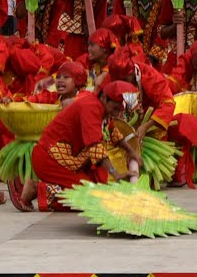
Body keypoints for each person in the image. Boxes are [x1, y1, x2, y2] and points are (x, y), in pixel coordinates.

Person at [15, 81, 141, 211]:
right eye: (115, 109)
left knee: (100, 192)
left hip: (71, 162)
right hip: (50, 160)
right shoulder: (91, 107)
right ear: (104, 98)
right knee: (87, 199)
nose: (116, 114)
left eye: (119, 110)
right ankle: (36, 188)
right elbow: (94, 147)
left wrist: (131, 152)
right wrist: (115, 174)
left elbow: (113, 133)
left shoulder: (103, 109)